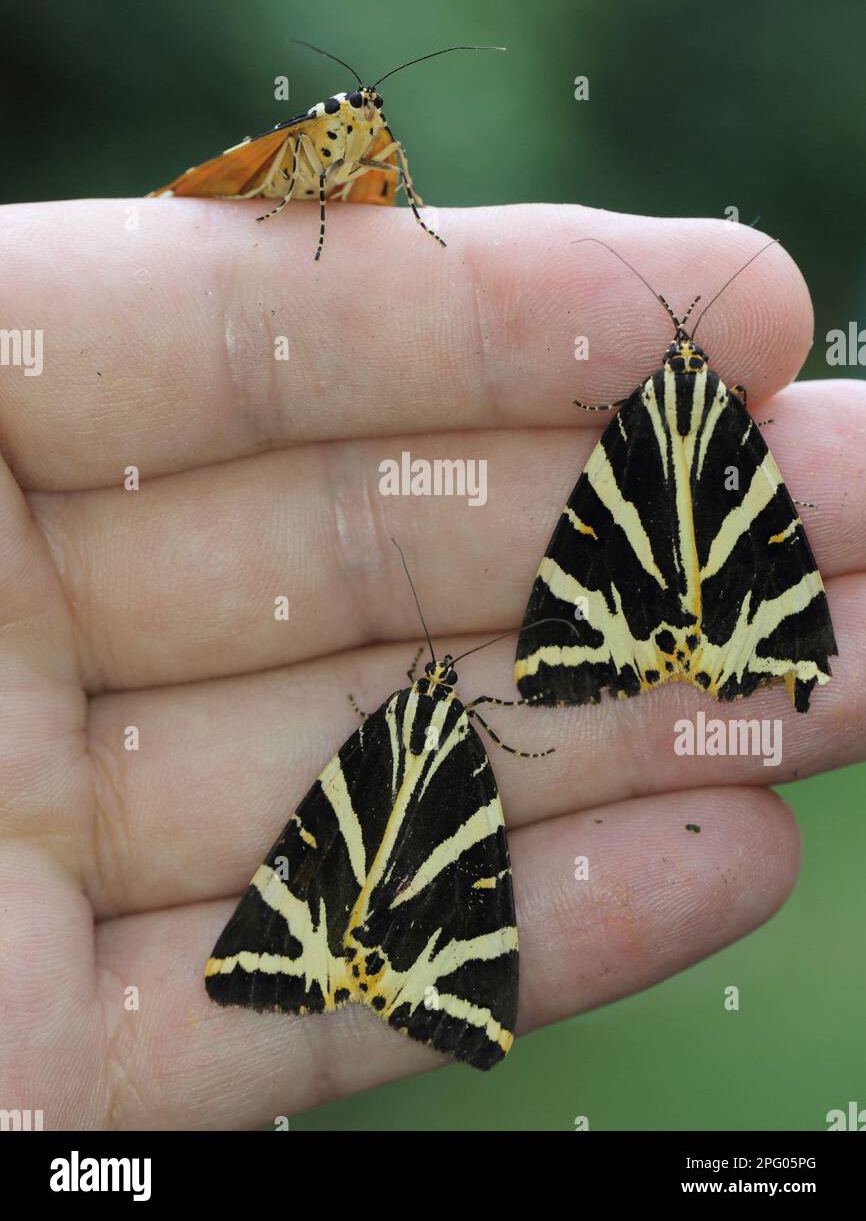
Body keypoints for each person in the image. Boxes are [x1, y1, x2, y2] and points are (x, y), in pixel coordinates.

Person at [0, 197, 859, 1128]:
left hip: (556, 610)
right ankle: (410, 970)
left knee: (365, 817)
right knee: (455, 824)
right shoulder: (720, 424)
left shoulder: (637, 420)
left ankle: (311, 950)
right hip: (671, 564)